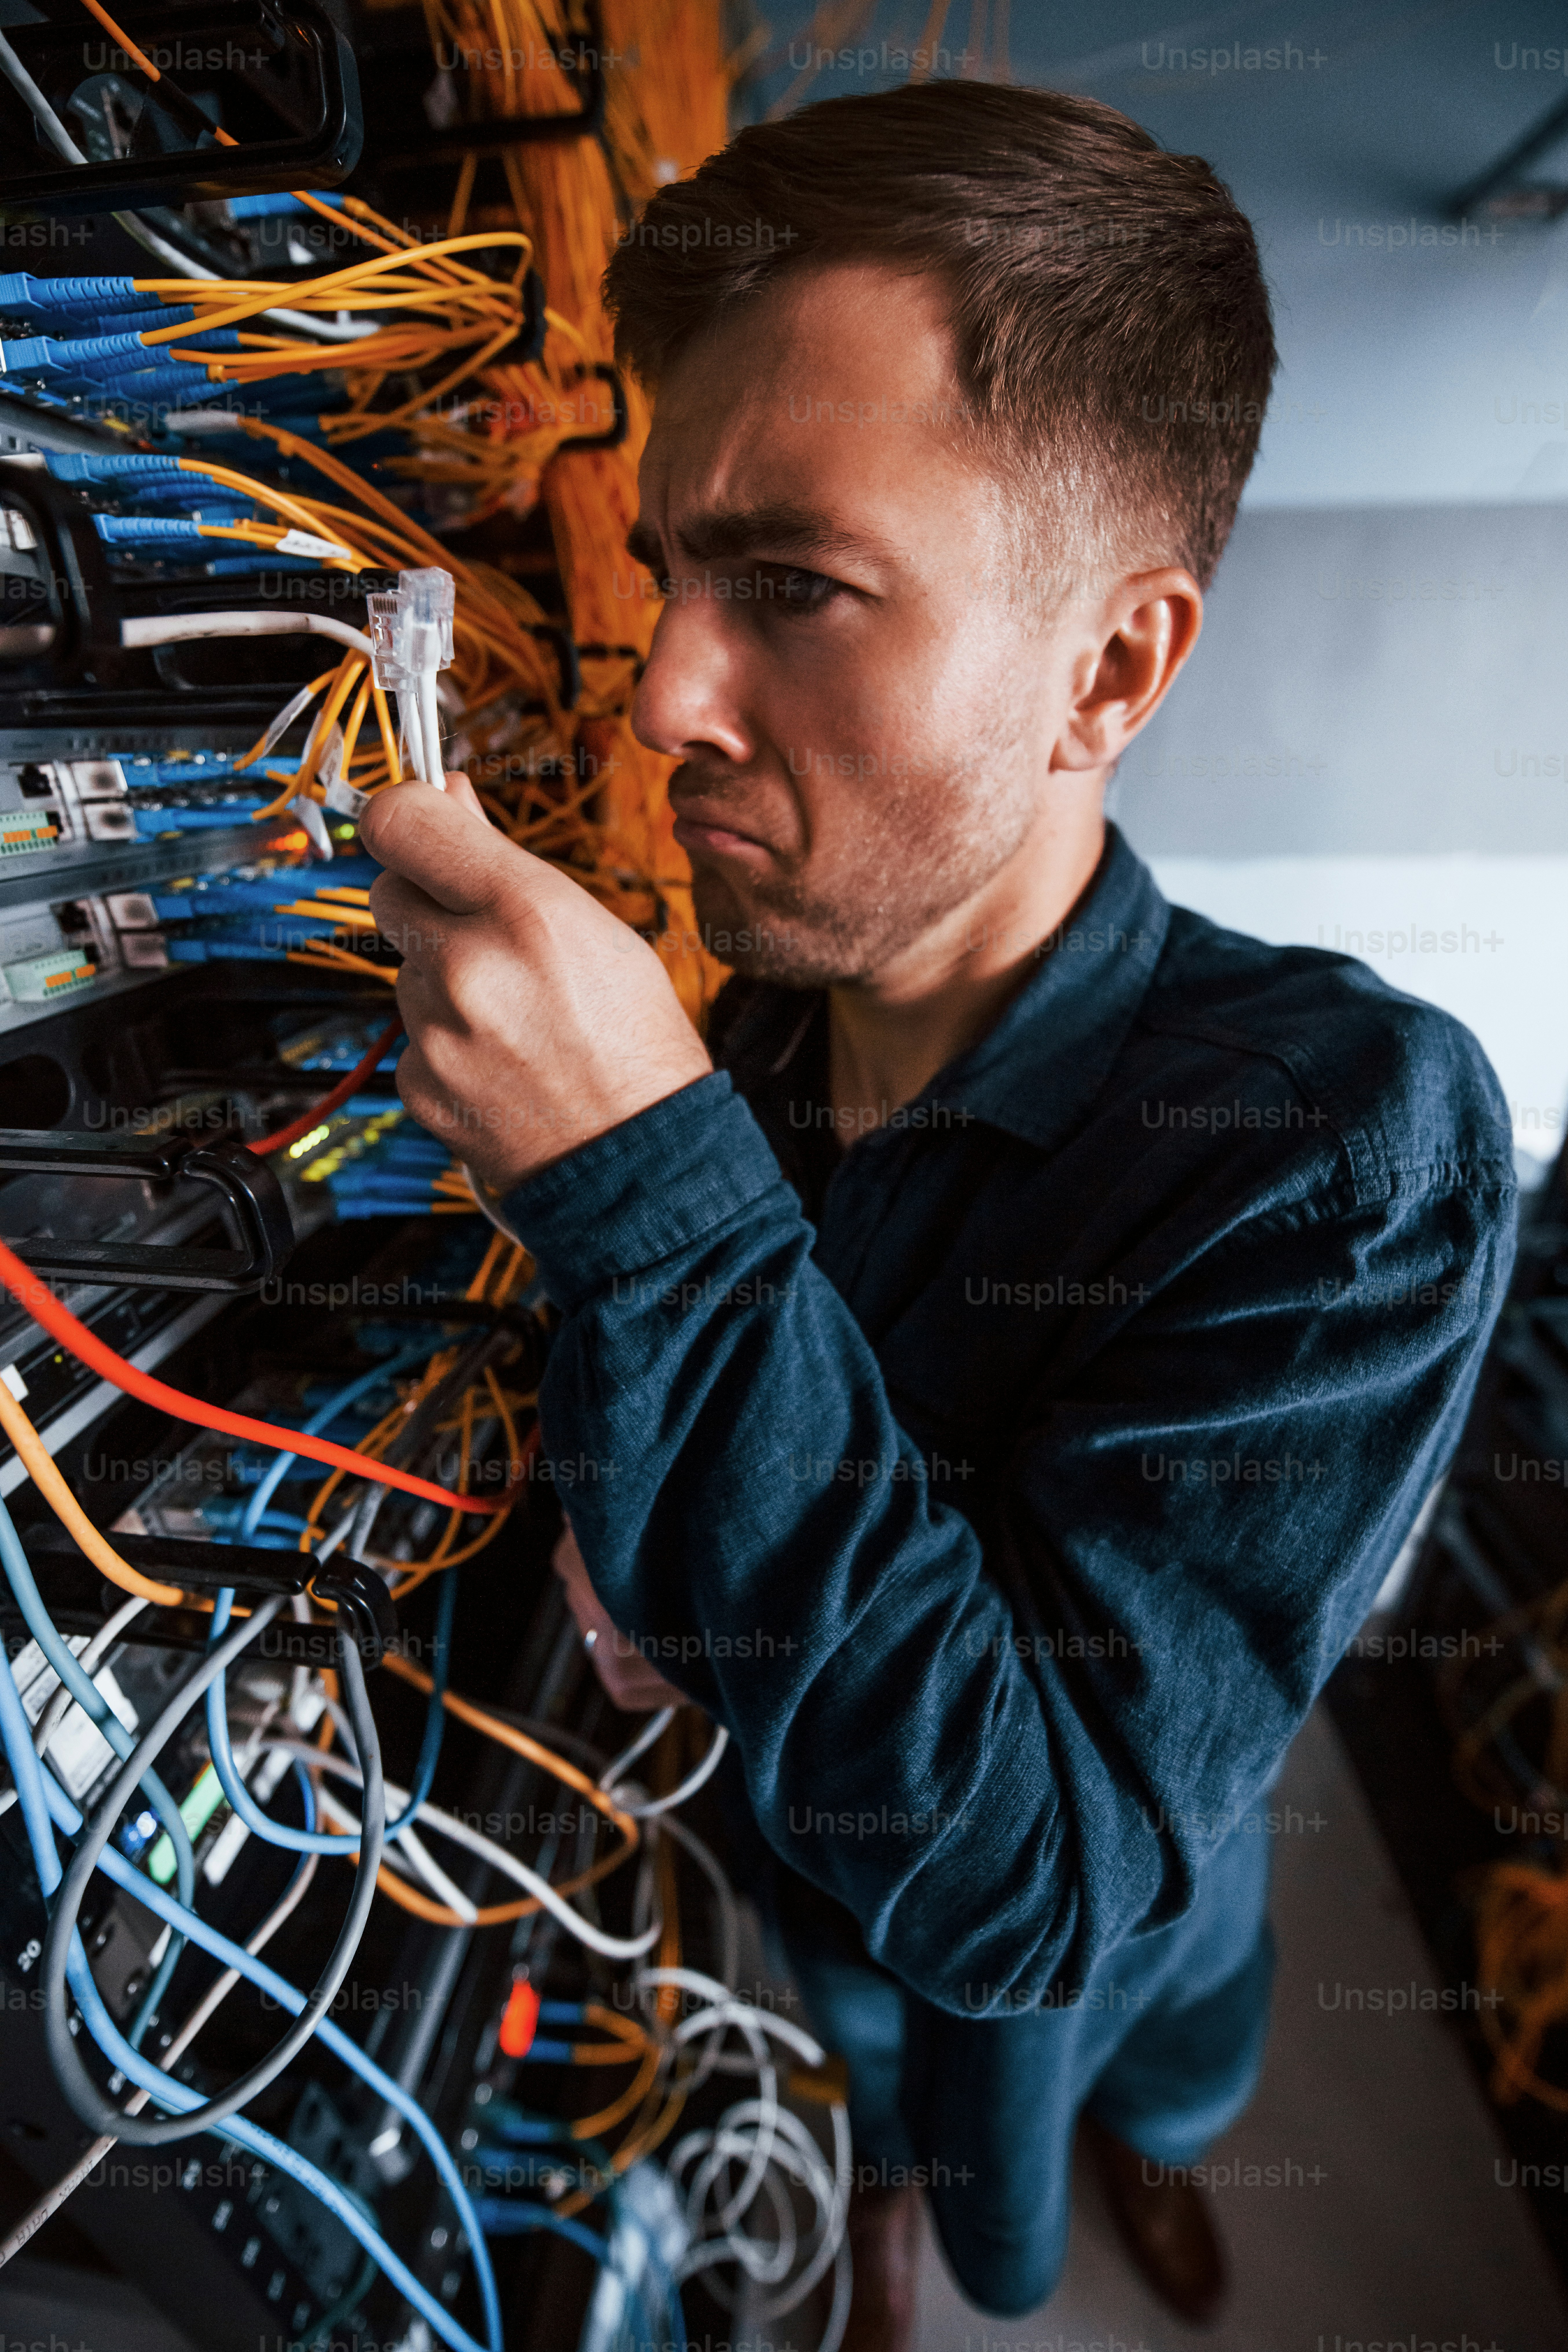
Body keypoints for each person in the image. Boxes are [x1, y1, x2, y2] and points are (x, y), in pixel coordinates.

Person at [359, 81, 1517, 2348]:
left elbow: (1046, 1881)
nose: (669, 693)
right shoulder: (766, 1025)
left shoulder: (1346, 1141)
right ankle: (887, 2201)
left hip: (1091, 1982)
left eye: (793, 583)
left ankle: (1160, 2186)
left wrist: (650, 1199)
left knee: (1142, 2087)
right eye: (680, 569)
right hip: (784, 1901)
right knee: (862, 2098)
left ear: (1114, 666)